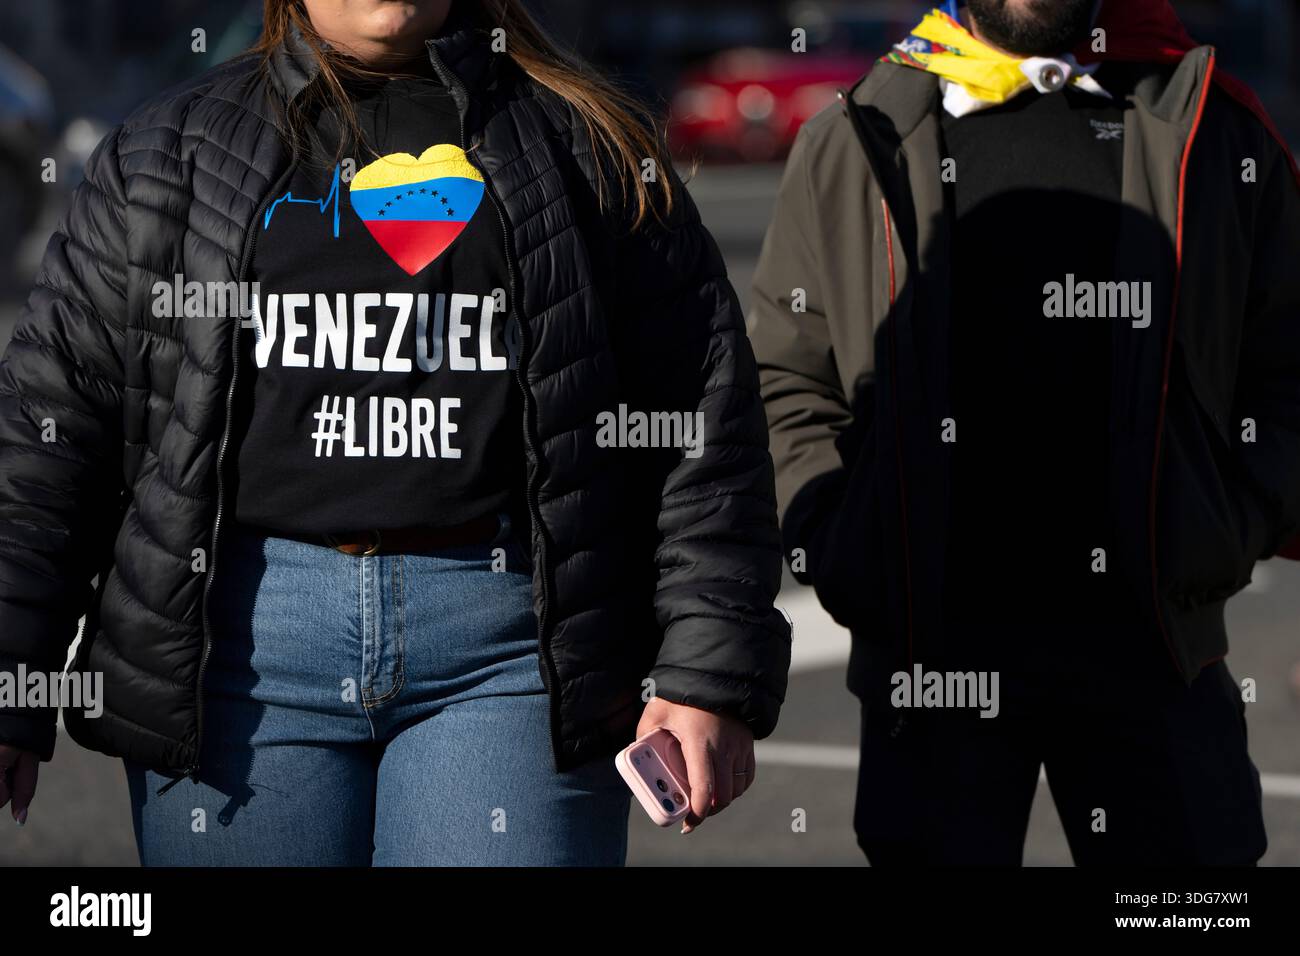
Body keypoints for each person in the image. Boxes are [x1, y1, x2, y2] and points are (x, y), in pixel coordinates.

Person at [0, 0, 792, 865]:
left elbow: (698, 417)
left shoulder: (591, 148)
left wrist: (708, 675)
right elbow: (51, 434)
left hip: (513, 659)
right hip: (235, 660)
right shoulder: (168, 152)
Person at [750, 0, 1300, 865]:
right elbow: (788, 376)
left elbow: (1285, 366)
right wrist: (844, 546)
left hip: (1155, 659)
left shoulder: (1209, 127)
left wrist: (1231, 522)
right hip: (933, 666)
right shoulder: (856, 135)